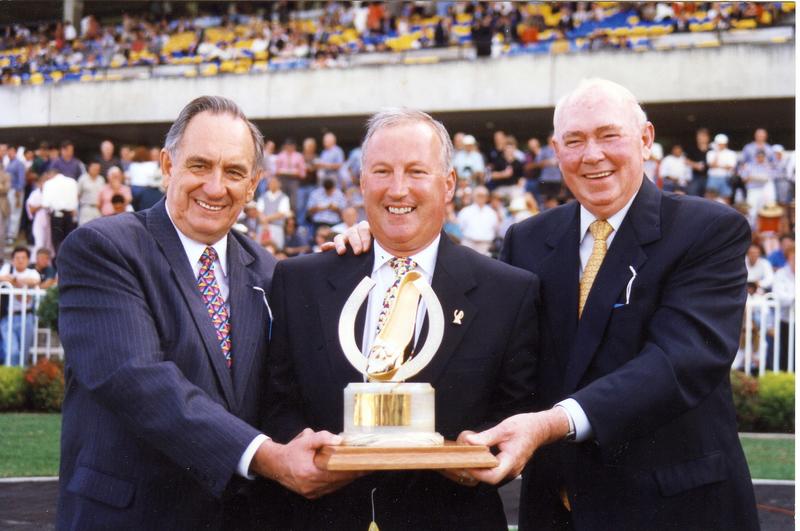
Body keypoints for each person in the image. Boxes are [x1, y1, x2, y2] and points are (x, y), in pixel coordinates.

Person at [461, 78, 758, 530]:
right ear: (556, 152)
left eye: (608, 135)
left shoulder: (709, 230)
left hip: (674, 512)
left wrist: (552, 423)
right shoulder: (527, 239)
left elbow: (679, 361)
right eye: (575, 141)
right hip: (557, 512)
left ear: (645, 140)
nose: (592, 155)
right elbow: (499, 355)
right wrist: (374, 253)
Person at [57, 96, 355, 530]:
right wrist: (266, 457)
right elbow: (136, 378)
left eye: (234, 172)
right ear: (167, 165)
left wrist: (359, 261)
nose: (216, 187)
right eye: (200, 166)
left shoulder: (272, 273)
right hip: (130, 518)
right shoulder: (104, 248)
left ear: (253, 185)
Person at [261, 108, 539, 530]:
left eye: (415, 171)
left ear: (448, 185)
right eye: (382, 171)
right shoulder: (300, 280)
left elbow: (515, 411)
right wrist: (308, 452)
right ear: (361, 182)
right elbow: (277, 402)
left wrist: (473, 450)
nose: (397, 188)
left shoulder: (508, 291)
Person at [0, 246, 41, 366]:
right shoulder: (7, 268)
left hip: (27, 318)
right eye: (17, 258)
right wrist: (15, 281)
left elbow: (35, 281)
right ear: (12, 260)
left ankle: (21, 380)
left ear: (28, 260)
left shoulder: (32, 272)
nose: (20, 260)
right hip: (8, 318)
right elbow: (2, 277)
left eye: (23, 257)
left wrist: (14, 281)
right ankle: (9, 379)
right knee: (12, 352)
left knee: (24, 353)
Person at [41, 171, 78, 256]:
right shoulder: (72, 182)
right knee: (68, 239)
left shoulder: (49, 183)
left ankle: (59, 260)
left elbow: (45, 204)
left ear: (51, 174)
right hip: (69, 215)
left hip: (57, 215)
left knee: (57, 240)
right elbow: (75, 199)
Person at [77, 160, 105, 225]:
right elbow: (77, 195)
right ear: (89, 168)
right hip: (86, 208)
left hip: (98, 209)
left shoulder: (101, 179)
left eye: (98, 169)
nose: (96, 170)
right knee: (84, 229)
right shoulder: (82, 179)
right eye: (94, 168)